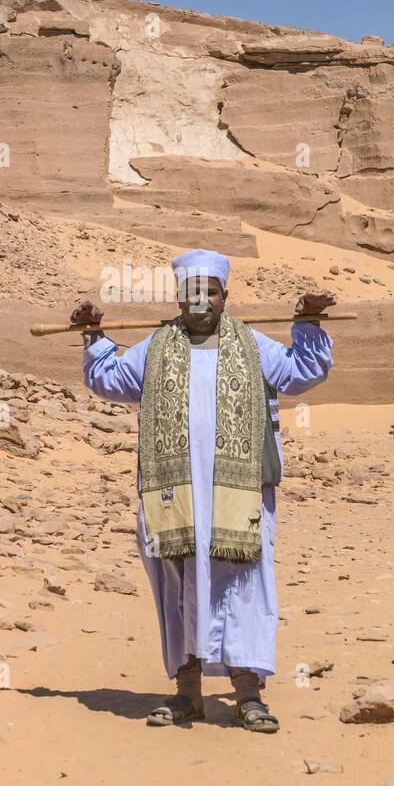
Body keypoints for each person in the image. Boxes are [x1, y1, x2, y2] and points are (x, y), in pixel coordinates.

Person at [73, 249, 334, 732]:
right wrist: (94, 336)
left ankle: (248, 696)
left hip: (241, 498)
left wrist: (309, 322)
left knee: (243, 586)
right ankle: (187, 695)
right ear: (179, 297)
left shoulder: (254, 346)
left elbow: (301, 373)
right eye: (192, 293)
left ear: (224, 296)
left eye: (209, 292)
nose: (200, 302)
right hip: (174, 497)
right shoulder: (156, 347)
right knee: (178, 588)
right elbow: (110, 380)